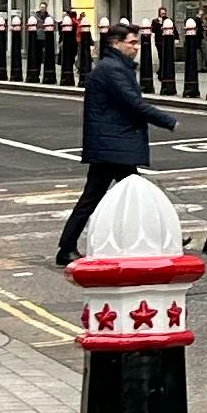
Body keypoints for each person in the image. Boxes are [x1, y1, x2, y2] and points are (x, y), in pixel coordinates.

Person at [56, 17, 178, 264]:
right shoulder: (111, 70)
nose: (136, 47)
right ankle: (66, 247)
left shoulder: (116, 67)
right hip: (113, 146)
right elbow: (133, 104)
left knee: (130, 194)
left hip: (113, 143)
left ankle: (67, 247)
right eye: (132, 43)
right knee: (111, 195)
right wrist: (168, 120)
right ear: (115, 43)